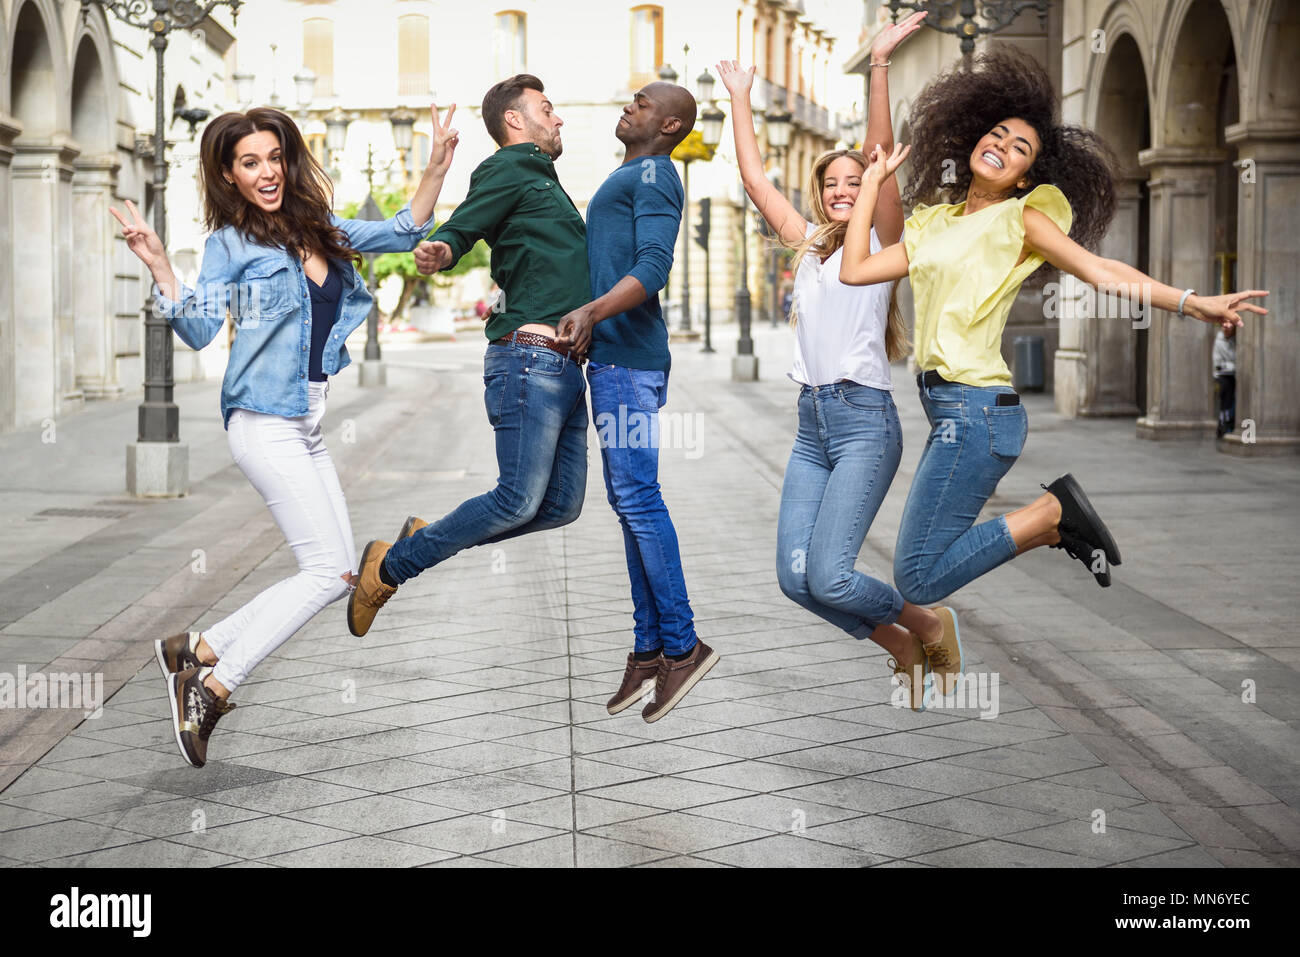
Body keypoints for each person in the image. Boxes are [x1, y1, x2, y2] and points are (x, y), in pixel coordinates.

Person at [839, 50, 1268, 605]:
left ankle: (1051, 512)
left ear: (1026, 179)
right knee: (922, 568)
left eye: (1021, 149)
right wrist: (872, 179)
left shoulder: (1022, 219)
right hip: (947, 410)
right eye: (996, 135)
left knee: (918, 578)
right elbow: (855, 271)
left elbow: (1101, 271)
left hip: (976, 412)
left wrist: (1191, 301)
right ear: (972, 140)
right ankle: (1048, 524)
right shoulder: (932, 225)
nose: (1002, 147)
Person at [113, 105, 458, 767]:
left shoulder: (320, 227)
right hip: (262, 422)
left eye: (274, 157)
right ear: (229, 174)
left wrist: (436, 165)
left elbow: (403, 228)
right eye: (250, 162)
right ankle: (210, 686)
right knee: (329, 570)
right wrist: (160, 268)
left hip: (307, 424)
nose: (267, 171)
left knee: (336, 574)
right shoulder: (230, 244)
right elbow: (199, 329)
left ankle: (196, 649)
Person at [711, 10, 964, 714]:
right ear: (822, 195)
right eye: (833, 185)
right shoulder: (814, 245)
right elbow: (759, 182)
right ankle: (901, 645)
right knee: (797, 578)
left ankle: (925, 622)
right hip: (811, 425)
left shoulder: (880, 246)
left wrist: (878, 65)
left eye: (856, 180)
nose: (843, 190)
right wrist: (738, 100)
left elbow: (879, 148)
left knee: (831, 573)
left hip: (863, 424)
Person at [348, 75, 591, 638]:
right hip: (529, 361)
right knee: (515, 499)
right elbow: (469, 219)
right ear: (515, 120)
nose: (558, 119)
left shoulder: (543, 179)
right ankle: (390, 567)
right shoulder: (510, 167)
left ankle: (424, 538)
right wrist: (444, 247)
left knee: (559, 506)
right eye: (547, 109)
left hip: (562, 366)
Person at [551, 81, 717, 723]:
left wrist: (591, 311)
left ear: (671, 125)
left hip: (627, 361)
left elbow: (652, 269)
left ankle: (682, 644)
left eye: (644, 103)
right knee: (629, 503)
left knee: (639, 500)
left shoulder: (653, 173)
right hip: (617, 361)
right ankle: (650, 648)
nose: (628, 105)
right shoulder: (637, 171)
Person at [1214, 320, 1237, 436]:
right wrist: (1233, 366)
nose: (1226, 328)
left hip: (1232, 375)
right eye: (1224, 326)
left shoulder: (1235, 340)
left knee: (1231, 400)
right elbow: (1218, 363)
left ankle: (1227, 423)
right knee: (1225, 400)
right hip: (1222, 376)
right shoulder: (1219, 340)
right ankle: (1224, 425)